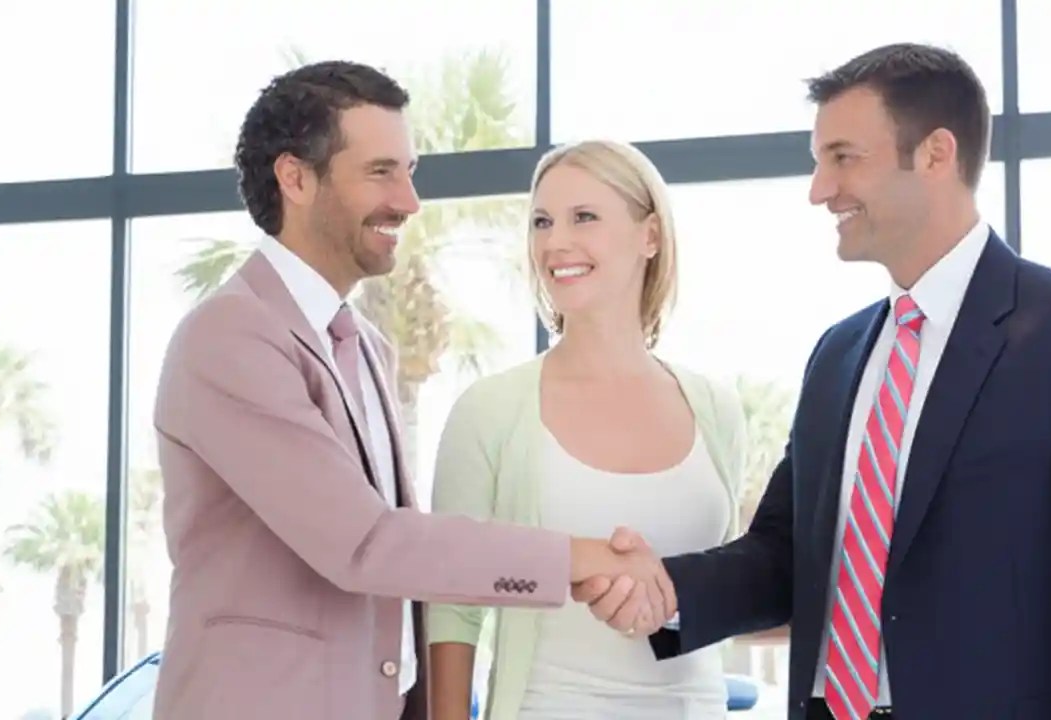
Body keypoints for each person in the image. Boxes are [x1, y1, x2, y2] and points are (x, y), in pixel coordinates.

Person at [576, 43, 1051, 720]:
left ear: (935, 154)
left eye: (843, 158)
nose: (819, 189)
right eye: (819, 162)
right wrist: (663, 585)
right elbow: (788, 556)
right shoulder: (837, 356)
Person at [150, 62, 672, 720]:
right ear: (295, 178)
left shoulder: (366, 344)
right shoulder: (230, 338)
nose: (408, 201)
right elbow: (366, 544)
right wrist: (582, 559)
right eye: (380, 173)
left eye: (409, 172)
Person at [425, 139, 746, 720]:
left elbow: (731, 583)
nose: (555, 242)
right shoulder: (489, 410)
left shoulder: (715, 408)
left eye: (584, 218)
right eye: (542, 222)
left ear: (650, 236)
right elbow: (453, 604)